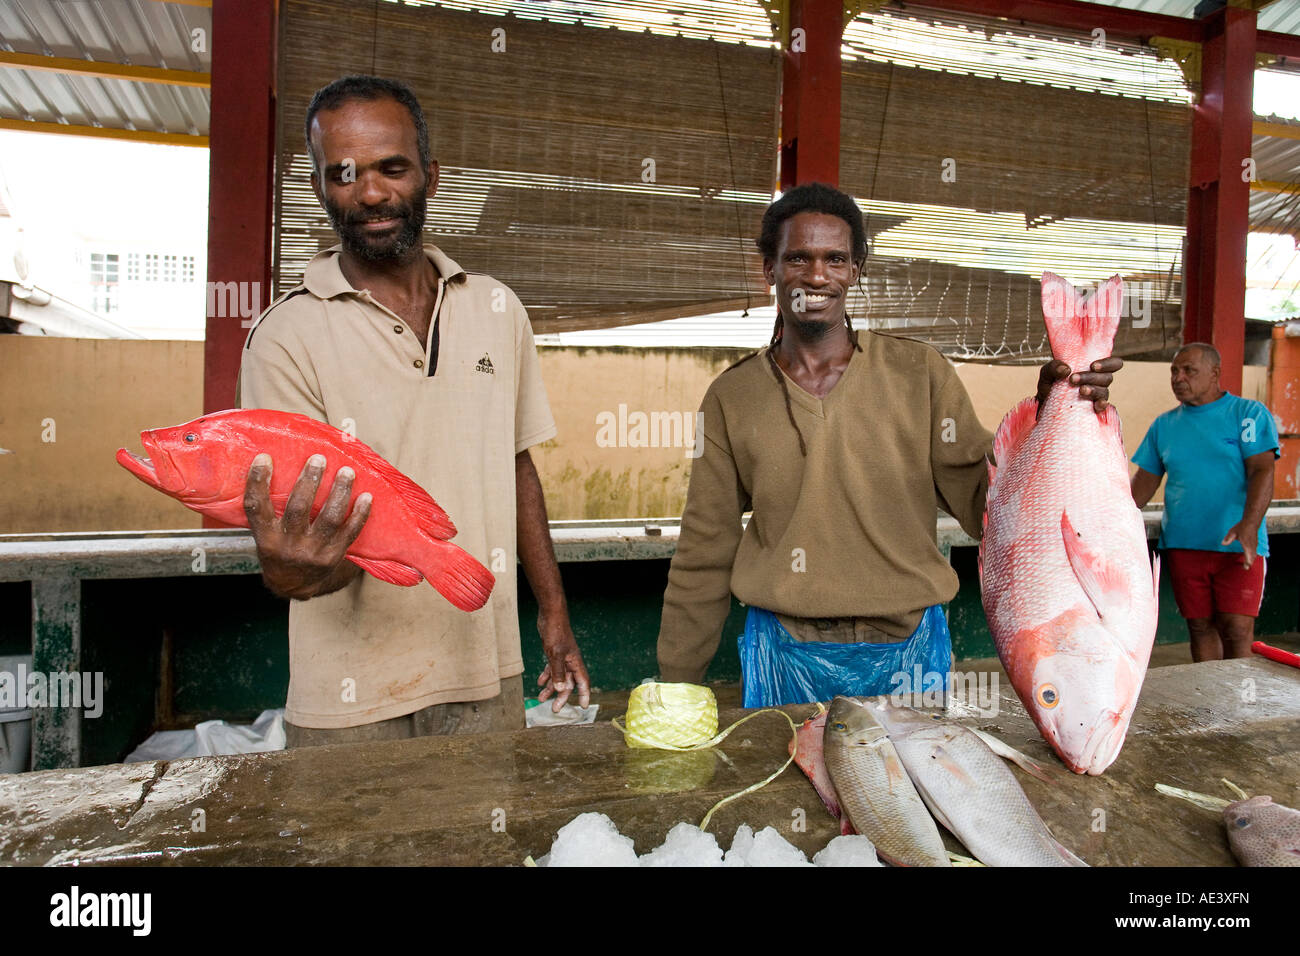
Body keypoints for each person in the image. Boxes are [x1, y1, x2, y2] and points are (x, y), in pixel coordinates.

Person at [656, 183, 1119, 698]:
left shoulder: (919, 374)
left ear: (856, 270)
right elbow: (705, 547)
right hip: (783, 649)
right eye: (797, 258)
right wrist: (678, 683)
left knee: (907, 782)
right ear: (768, 269)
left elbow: (990, 506)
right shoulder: (732, 396)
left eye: (835, 259)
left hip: (909, 648)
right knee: (786, 776)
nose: (816, 275)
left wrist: (1052, 418)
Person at [236, 75, 589, 747]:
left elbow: (515, 465)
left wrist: (554, 615)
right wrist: (292, 569)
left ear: (430, 174)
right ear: (318, 186)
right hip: (348, 706)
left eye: (391, 168)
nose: (370, 193)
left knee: (483, 850)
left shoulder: (495, 307)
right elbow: (307, 544)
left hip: (486, 678)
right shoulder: (283, 337)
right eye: (344, 173)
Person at [1130, 343, 1278, 662]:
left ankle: (1240, 709)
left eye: (1188, 370)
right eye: (1174, 370)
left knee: (1237, 630)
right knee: (1199, 628)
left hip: (1239, 542)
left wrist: (1250, 526)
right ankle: (1209, 710)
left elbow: (1263, 469)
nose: (1178, 377)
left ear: (1214, 374)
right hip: (1184, 543)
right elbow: (1141, 486)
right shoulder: (1164, 425)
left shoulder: (1248, 414)